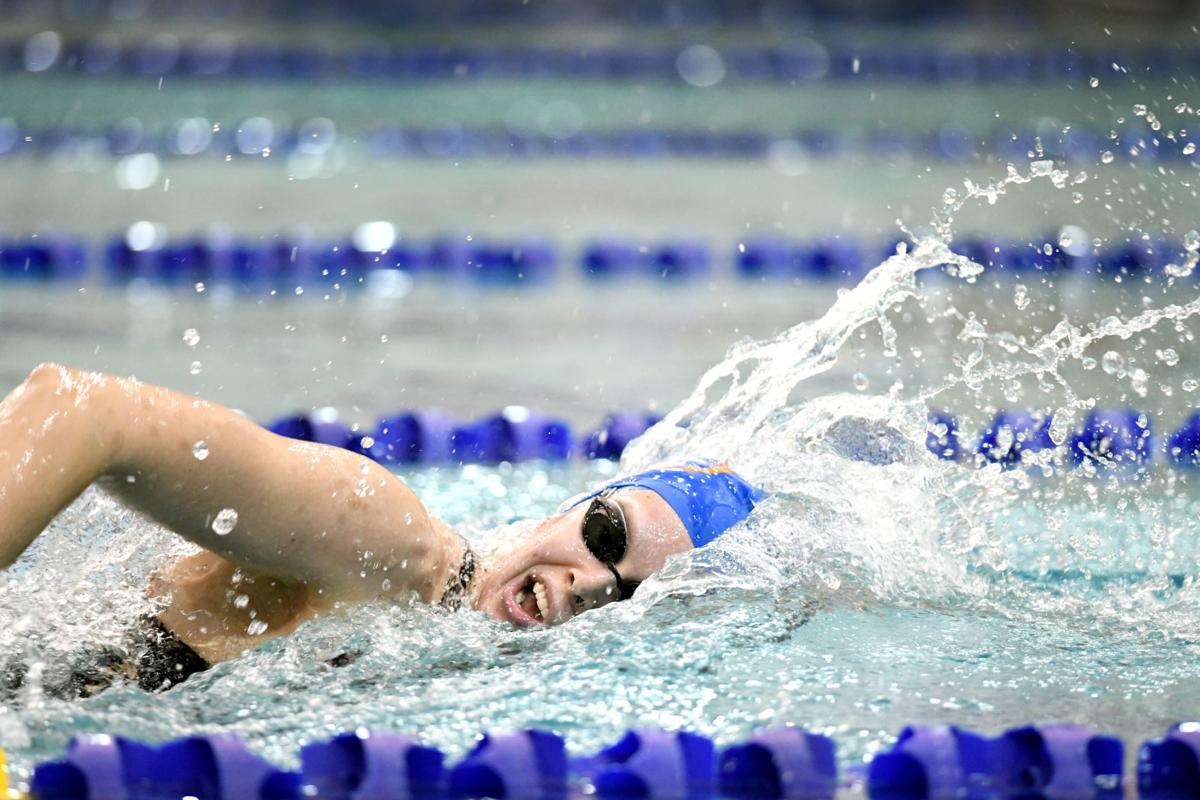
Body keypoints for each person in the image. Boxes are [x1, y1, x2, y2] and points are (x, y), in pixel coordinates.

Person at [0, 363, 764, 696]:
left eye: (629, 595)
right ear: (569, 506)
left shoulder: (446, 654)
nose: (590, 585)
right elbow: (78, 410)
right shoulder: (385, 535)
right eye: (605, 534)